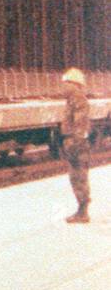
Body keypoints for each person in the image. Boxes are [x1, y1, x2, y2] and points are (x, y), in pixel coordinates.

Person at [60, 67, 91, 223]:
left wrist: (74, 142)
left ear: (73, 84)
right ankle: (81, 210)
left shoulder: (78, 99)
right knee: (76, 177)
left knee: (78, 176)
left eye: (66, 83)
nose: (63, 87)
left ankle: (82, 212)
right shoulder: (72, 99)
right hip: (73, 141)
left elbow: (80, 123)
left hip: (76, 143)